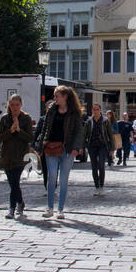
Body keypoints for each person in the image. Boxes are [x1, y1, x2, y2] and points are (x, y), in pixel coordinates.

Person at [40, 85, 85, 218]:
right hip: (51, 148)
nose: (54, 98)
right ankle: (49, 208)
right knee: (52, 176)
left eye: (56, 96)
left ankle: (60, 209)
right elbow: (45, 128)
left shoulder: (74, 112)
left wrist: (76, 148)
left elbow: (79, 131)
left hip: (67, 150)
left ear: (65, 97)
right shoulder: (52, 110)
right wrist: (40, 145)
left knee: (64, 179)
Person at [0, 95, 34, 218]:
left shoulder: (26, 118)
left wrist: (18, 130)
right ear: (9, 105)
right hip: (7, 155)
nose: (14, 107)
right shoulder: (5, 119)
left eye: (17, 105)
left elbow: (29, 138)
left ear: (21, 104)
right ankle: (20, 202)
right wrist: (10, 131)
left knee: (15, 181)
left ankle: (12, 208)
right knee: (13, 184)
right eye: (12, 105)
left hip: (20, 156)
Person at [87, 103, 113, 196]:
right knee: (94, 167)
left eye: (97, 109)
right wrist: (81, 146)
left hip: (102, 146)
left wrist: (112, 148)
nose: (95, 111)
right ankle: (96, 187)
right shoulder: (89, 121)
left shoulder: (105, 121)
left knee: (101, 165)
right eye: (94, 109)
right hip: (92, 146)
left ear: (100, 110)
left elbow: (110, 135)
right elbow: (84, 134)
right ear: (92, 111)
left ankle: (101, 186)